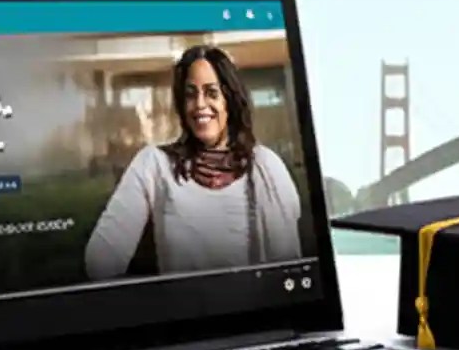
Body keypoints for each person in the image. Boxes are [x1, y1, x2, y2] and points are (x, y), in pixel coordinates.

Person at [84, 45, 302, 280]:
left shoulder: (265, 166)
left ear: (230, 99)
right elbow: (101, 259)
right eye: (190, 94)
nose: (199, 104)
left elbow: (290, 267)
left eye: (211, 92)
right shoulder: (154, 164)